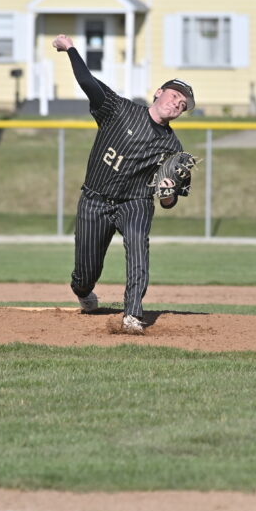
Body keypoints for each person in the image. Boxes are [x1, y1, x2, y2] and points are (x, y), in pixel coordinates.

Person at [52, 33, 194, 334]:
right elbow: (88, 82)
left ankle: (132, 314)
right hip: (95, 198)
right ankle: (83, 291)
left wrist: (167, 192)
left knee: (138, 249)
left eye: (182, 105)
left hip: (135, 203)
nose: (177, 104)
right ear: (158, 93)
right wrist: (71, 49)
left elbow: (168, 202)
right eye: (174, 96)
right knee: (86, 271)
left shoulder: (174, 148)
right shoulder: (120, 109)